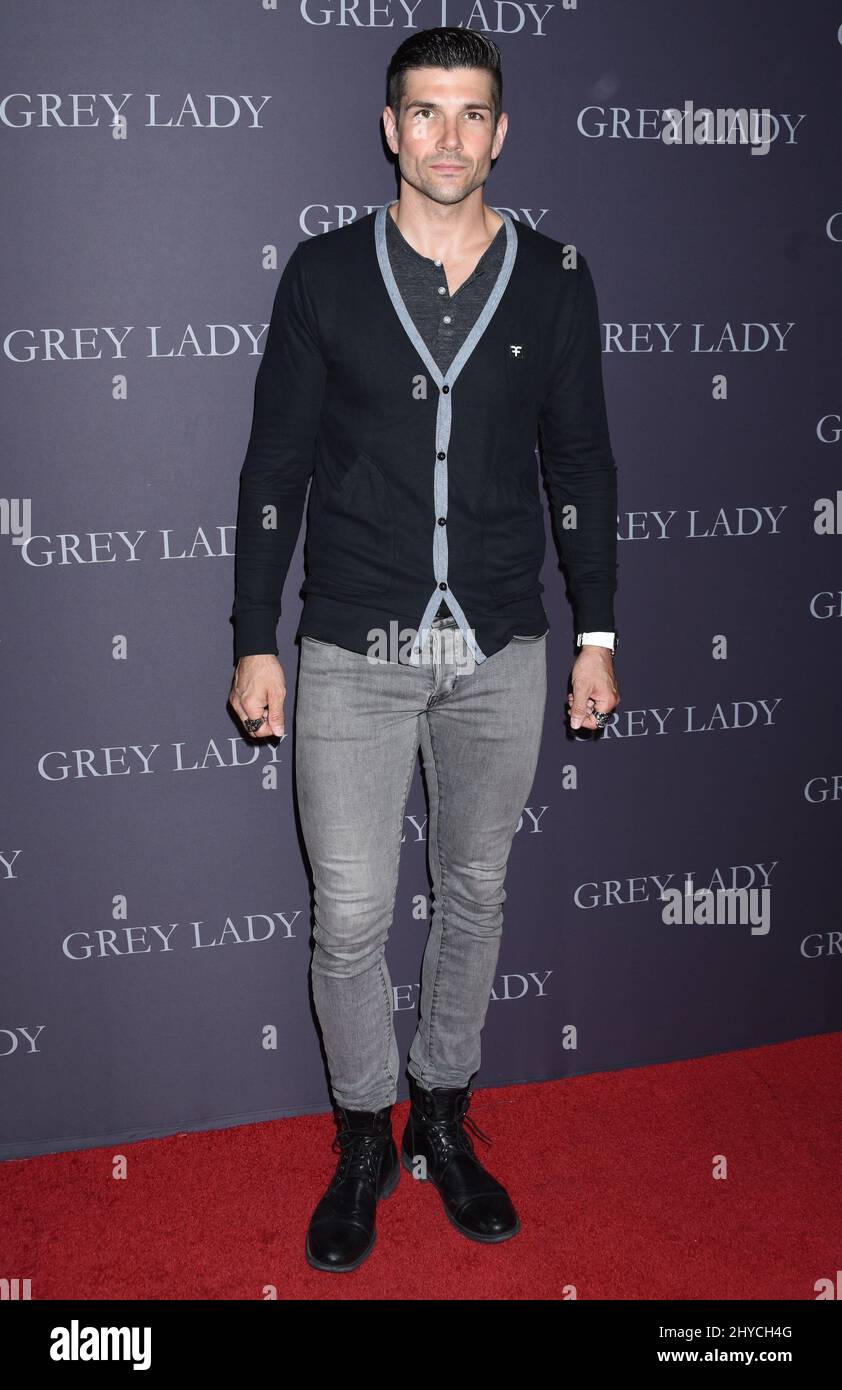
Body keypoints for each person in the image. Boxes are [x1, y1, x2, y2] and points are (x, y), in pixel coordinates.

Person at [229, 26, 620, 1273]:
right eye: (424, 112)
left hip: (501, 647)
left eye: (471, 114)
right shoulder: (325, 274)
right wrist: (254, 639)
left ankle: (440, 1119)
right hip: (348, 643)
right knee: (348, 915)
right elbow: (273, 469)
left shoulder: (555, 278)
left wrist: (596, 632)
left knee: (476, 897)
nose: (448, 137)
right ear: (388, 127)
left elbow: (583, 468)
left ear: (500, 131)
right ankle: (362, 1135)